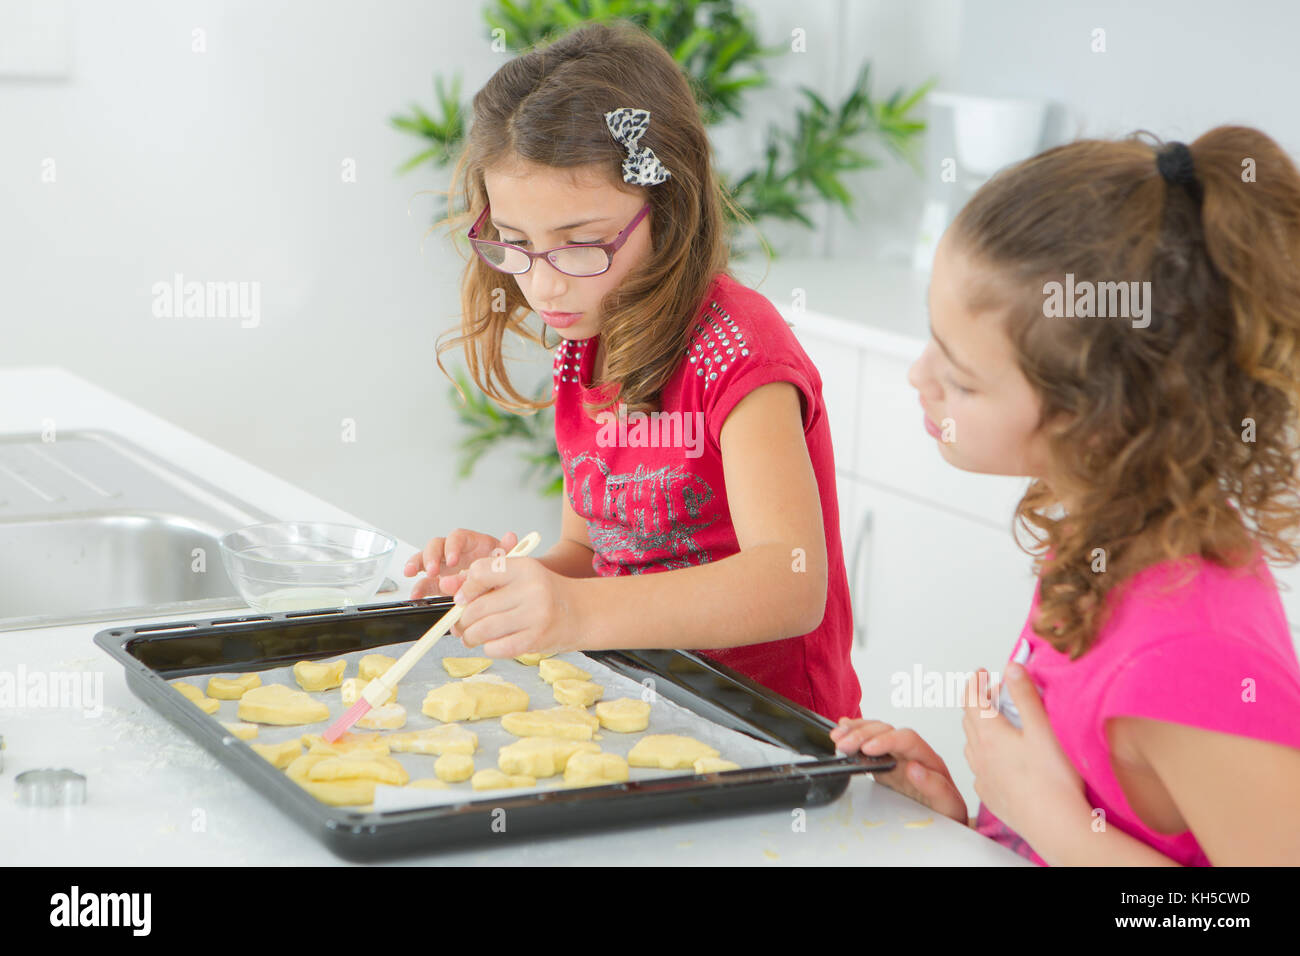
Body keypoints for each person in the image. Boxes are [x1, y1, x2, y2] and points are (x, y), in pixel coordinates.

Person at [832, 126, 1300, 864]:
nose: (919, 379)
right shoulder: (1100, 535)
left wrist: (1043, 814)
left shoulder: (1191, 659)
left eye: (960, 378)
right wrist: (978, 829)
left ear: (1095, 423)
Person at [402, 20, 861, 723]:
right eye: (515, 244)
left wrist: (575, 612)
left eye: (581, 244)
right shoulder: (583, 339)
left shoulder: (739, 355)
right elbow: (596, 553)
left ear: (667, 212)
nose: (544, 285)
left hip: (770, 727)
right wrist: (511, 586)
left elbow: (791, 584)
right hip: (646, 708)